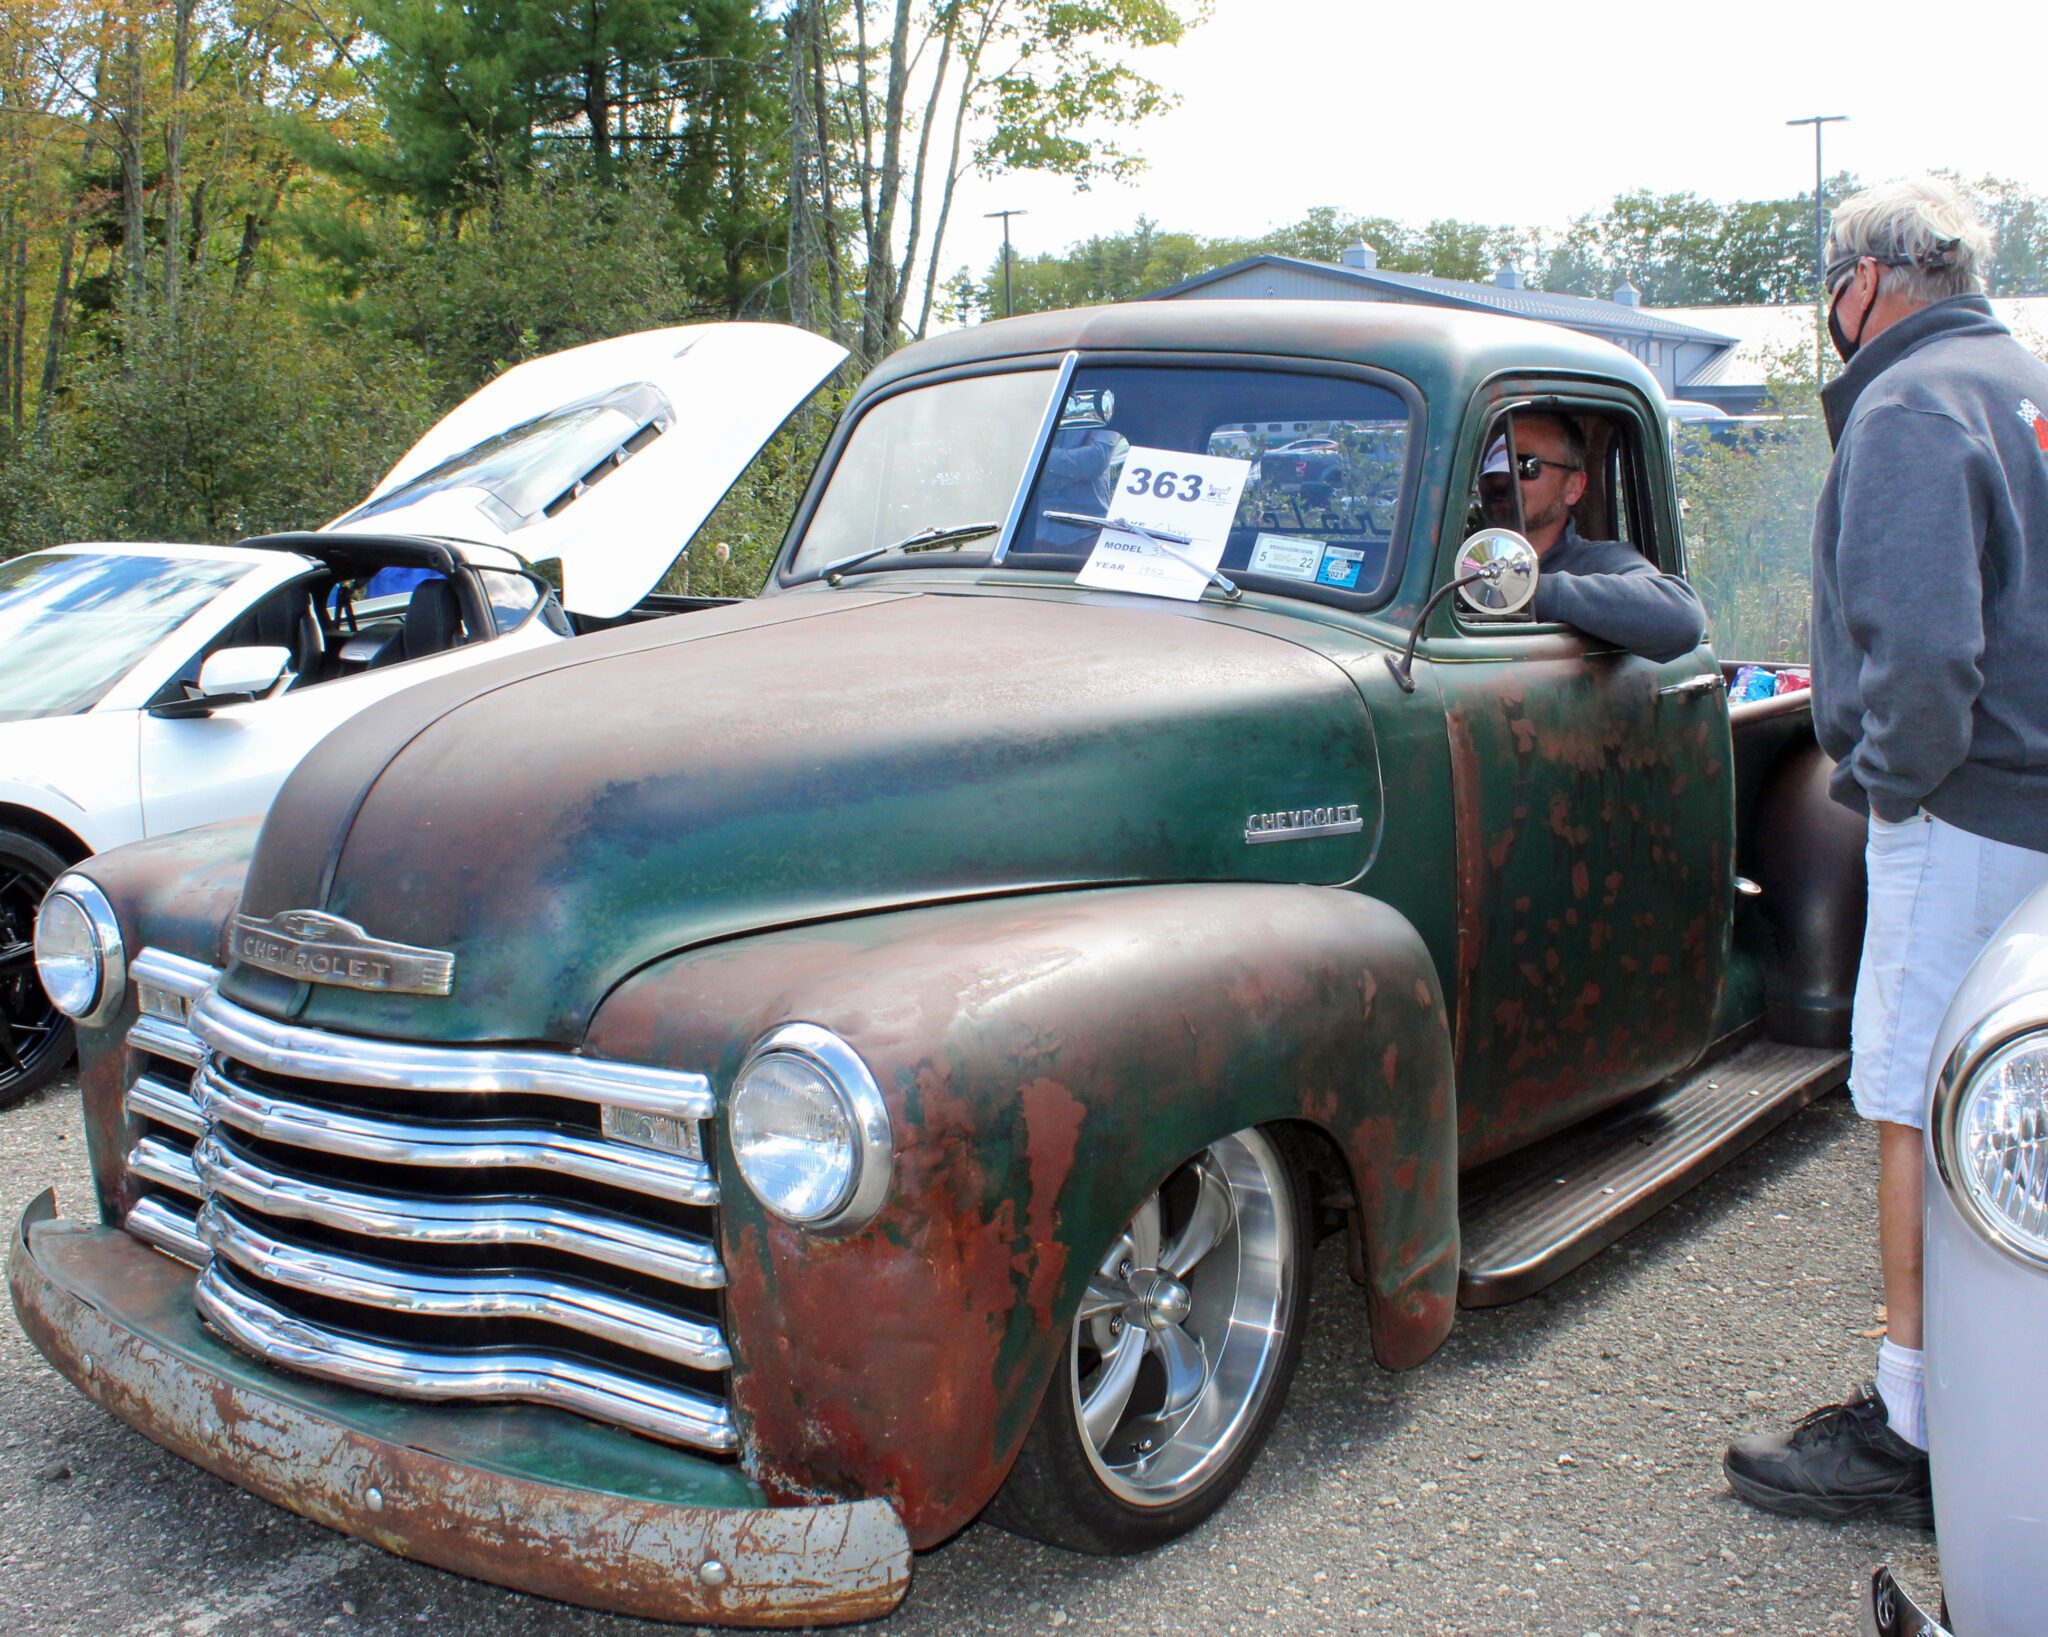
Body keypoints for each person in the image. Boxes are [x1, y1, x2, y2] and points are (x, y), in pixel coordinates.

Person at [1724, 176, 2048, 1526]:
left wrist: (1884, 783)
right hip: (2031, 802)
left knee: (1919, 1101)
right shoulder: (2019, 381)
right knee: (2015, 1109)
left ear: (1872, 279)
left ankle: (1919, 1426)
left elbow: (1920, 657)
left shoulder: (1910, 405)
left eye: (1835, 280)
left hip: (1964, 806)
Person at [1477, 412, 1705, 662]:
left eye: (1524, 465)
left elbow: (1682, 618)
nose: (1500, 478)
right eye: (1491, 465)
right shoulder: (1449, 564)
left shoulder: (1600, 562)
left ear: (1573, 487)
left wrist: (1527, 590)